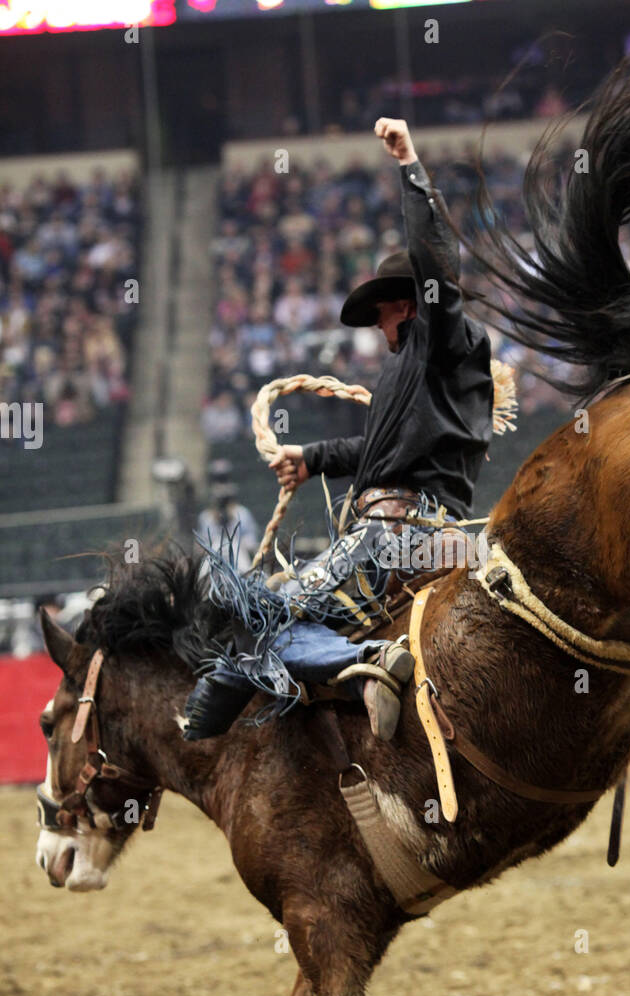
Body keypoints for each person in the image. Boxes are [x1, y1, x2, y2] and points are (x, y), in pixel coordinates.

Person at [183, 117, 494, 742]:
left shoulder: (441, 339)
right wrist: (310, 457)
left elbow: (437, 263)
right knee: (258, 615)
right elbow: (376, 451)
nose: (378, 328)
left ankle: (361, 667)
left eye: (381, 314)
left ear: (405, 304)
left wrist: (410, 163)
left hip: (397, 534)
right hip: (413, 528)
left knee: (254, 612)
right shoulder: (413, 372)